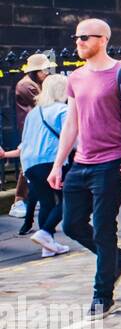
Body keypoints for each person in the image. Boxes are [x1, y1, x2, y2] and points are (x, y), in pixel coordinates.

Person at [47, 19, 121, 317]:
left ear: (103, 39)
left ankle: (102, 295)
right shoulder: (75, 78)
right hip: (81, 163)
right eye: (76, 37)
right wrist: (57, 165)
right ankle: (118, 259)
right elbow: (71, 123)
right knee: (71, 225)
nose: (78, 42)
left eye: (84, 37)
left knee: (104, 229)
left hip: (111, 163)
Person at [11, 73, 71, 256]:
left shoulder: (33, 113)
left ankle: (48, 247)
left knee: (46, 203)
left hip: (30, 164)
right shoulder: (63, 110)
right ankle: (45, 233)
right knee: (70, 198)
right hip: (52, 161)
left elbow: (25, 141)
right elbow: (70, 139)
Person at [8, 52, 53, 233]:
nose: (46, 73)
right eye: (44, 70)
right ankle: (19, 200)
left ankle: (27, 200)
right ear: (36, 71)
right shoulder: (26, 85)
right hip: (31, 128)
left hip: (35, 127)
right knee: (26, 163)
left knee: (29, 162)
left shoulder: (34, 83)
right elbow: (43, 102)